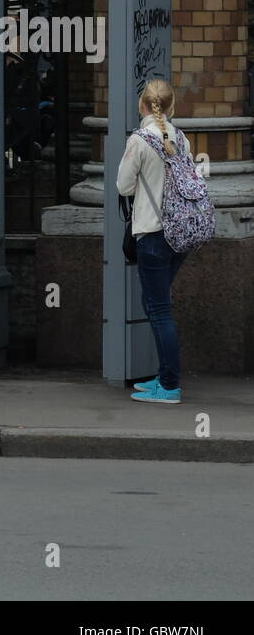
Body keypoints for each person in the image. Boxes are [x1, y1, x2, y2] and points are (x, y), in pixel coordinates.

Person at [115, 78, 189, 404]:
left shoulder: (140, 140)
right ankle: (162, 376)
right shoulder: (181, 137)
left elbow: (123, 186)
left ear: (143, 105)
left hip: (153, 233)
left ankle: (169, 385)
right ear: (170, 106)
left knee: (159, 310)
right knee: (155, 305)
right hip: (180, 234)